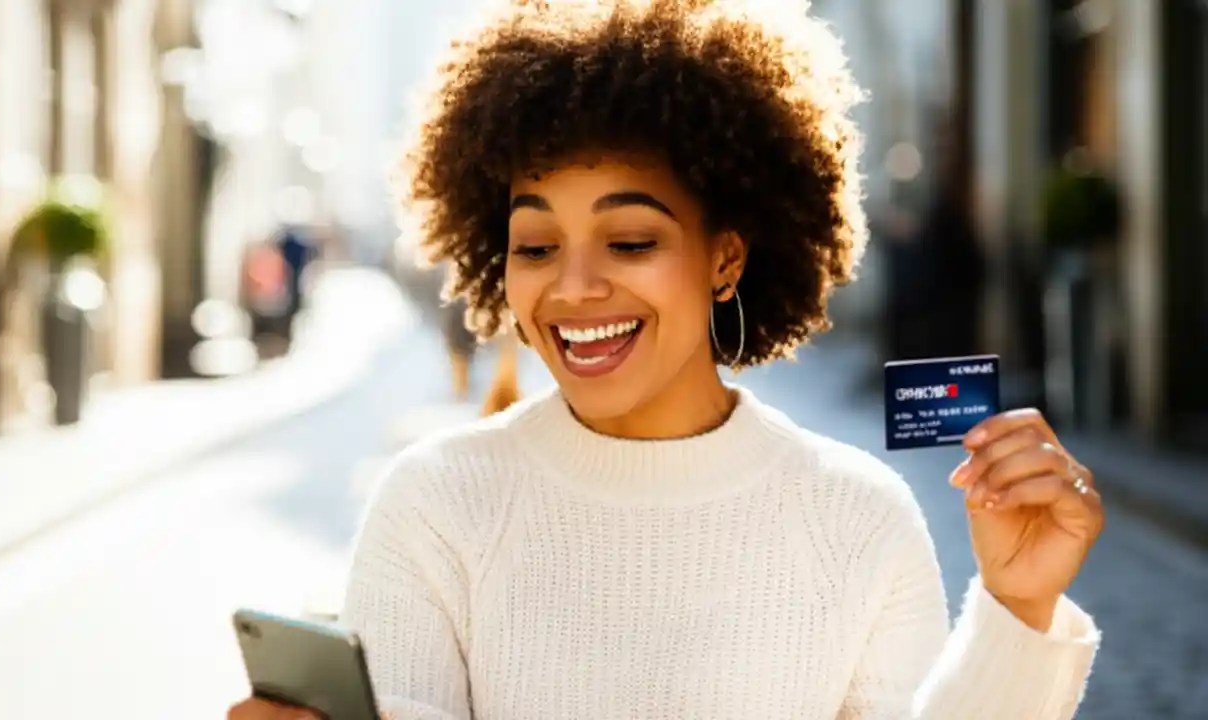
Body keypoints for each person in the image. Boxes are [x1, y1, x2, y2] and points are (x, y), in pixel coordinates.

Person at [229, 1, 1104, 718]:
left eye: (632, 238)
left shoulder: (856, 520)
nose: (573, 287)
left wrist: (1019, 612)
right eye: (535, 246)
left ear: (726, 257)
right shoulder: (435, 507)